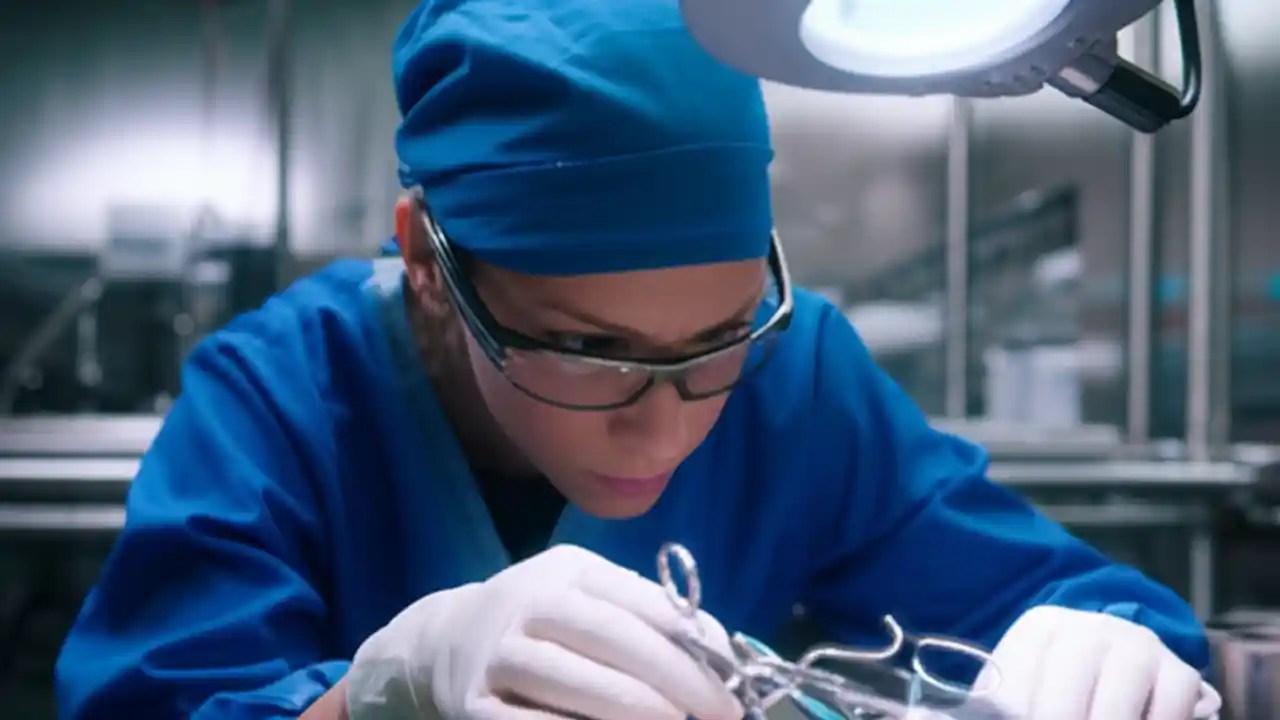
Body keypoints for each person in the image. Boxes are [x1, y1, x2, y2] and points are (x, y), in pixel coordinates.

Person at [55, 0, 1220, 718]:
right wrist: (377, 703)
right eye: (586, 353)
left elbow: (1082, 605)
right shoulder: (273, 400)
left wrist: (1103, 645)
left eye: (714, 342)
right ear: (426, 259)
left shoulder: (796, 372)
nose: (664, 427)